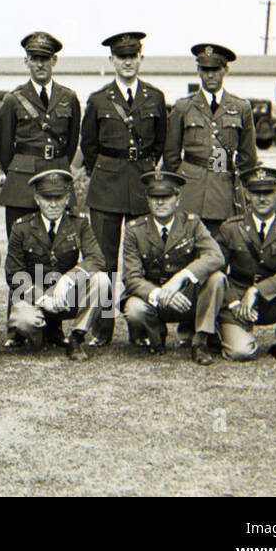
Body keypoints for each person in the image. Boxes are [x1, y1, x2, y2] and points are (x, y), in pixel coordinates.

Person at [80, 30, 166, 345]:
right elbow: (88, 145)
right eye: (121, 57)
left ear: (140, 58)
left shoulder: (154, 97)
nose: (127, 62)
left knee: (139, 260)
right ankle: (101, 330)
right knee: (104, 261)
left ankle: (139, 328)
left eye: (132, 56)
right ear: (112, 60)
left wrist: (142, 169)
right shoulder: (99, 99)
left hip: (142, 186)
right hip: (106, 186)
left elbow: (160, 143)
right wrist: (105, 169)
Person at [120, 170, 226, 366]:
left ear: (177, 198)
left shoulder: (192, 224)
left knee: (216, 278)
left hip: (186, 297)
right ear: (148, 200)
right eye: (154, 197)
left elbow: (216, 256)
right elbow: (131, 277)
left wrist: (182, 277)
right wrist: (161, 293)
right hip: (155, 299)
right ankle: (155, 336)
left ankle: (200, 341)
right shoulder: (135, 229)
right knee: (134, 308)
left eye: (166, 197)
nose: (160, 202)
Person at [4, 169, 109, 361]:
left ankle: (77, 337)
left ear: (67, 198)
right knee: (25, 322)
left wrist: (69, 279)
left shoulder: (79, 224)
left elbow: (96, 258)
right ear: (37, 199)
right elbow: (14, 274)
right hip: (34, 296)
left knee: (102, 280)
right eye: (46, 197)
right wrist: (43, 299)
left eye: (59, 197)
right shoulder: (22, 227)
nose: (53, 204)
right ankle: (40, 331)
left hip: (64, 295)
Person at [214, 165, 276, 362]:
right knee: (241, 353)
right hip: (238, 300)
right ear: (248, 195)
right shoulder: (231, 228)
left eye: (268, 192)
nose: (262, 198)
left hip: (272, 299)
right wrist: (233, 302)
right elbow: (217, 270)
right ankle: (223, 333)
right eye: (256, 193)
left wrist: (256, 290)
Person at [163, 43, 257, 236]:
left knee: (219, 248)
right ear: (198, 71)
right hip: (190, 189)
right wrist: (179, 184)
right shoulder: (184, 107)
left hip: (222, 188)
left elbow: (248, 157)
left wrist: (238, 187)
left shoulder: (241, 107)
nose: (211, 75)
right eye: (205, 70)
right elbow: (171, 155)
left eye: (216, 69)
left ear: (225, 70)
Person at [0, 31, 81, 233]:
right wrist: (19, 168)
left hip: (57, 173)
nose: (40, 64)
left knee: (57, 241)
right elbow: (4, 147)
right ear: (26, 61)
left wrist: (59, 162)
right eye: (34, 58)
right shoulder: (13, 99)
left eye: (45, 58)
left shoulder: (68, 97)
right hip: (22, 182)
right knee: (22, 242)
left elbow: (72, 142)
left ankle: (44, 269)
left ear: (54, 60)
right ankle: (31, 269)